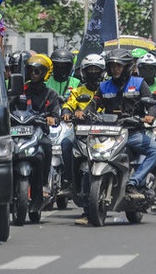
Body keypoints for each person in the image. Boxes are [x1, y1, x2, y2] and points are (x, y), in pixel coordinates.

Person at [84, 49, 156, 200]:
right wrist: (83, 112)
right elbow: (94, 104)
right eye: (112, 66)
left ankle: (133, 182)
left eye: (119, 66)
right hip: (108, 134)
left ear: (127, 67)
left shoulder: (139, 83)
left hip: (132, 133)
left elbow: (151, 104)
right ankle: (87, 203)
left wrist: (150, 116)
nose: (115, 69)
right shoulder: (103, 86)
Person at [9, 54, 61, 216]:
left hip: (38, 133)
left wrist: (52, 118)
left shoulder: (50, 94)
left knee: (46, 146)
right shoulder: (20, 90)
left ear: (45, 73)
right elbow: (9, 106)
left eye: (37, 71)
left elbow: (56, 115)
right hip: (18, 132)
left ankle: (43, 185)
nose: (33, 74)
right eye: (31, 70)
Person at [62, 53, 103, 226]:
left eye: (96, 70)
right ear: (84, 72)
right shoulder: (78, 90)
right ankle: (70, 179)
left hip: (103, 133)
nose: (93, 73)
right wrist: (67, 113)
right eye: (90, 70)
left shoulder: (106, 88)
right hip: (81, 132)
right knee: (65, 143)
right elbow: (68, 105)